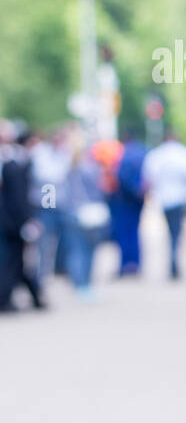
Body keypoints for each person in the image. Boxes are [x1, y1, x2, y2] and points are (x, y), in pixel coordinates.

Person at [143, 128, 186, 280]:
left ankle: (172, 262)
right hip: (180, 198)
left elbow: (149, 179)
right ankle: (174, 262)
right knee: (176, 232)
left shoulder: (156, 155)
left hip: (163, 199)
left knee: (170, 232)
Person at [59, 137, 109, 300]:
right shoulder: (91, 169)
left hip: (70, 213)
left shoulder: (64, 168)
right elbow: (101, 190)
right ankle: (84, 285)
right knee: (87, 251)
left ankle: (79, 284)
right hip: (87, 213)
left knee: (76, 250)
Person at [0, 128, 44, 310]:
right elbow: (22, 196)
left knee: (14, 261)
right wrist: (31, 218)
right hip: (13, 220)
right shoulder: (15, 163)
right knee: (13, 261)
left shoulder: (14, 161)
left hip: (11, 219)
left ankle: (34, 296)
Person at [29, 127, 70, 283]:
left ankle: (59, 268)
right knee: (45, 240)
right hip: (46, 204)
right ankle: (43, 270)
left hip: (59, 204)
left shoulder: (64, 154)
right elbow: (48, 178)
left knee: (62, 239)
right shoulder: (42, 154)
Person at [109, 128, 147, 276]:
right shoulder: (144, 150)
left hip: (124, 199)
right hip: (138, 199)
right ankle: (136, 264)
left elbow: (120, 176)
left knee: (123, 232)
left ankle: (125, 265)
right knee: (136, 231)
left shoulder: (123, 154)